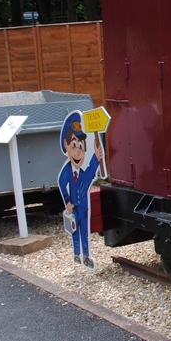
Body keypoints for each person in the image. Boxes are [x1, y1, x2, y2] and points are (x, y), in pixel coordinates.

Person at [58, 111, 103, 270]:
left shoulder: (83, 174)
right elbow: (62, 183)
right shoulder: (68, 171)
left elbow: (91, 171)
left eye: (81, 146)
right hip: (75, 206)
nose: (78, 151)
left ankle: (86, 255)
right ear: (66, 145)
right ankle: (77, 253)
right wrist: (68, 201)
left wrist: (96, 158)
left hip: (84, 206)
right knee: (75, 231)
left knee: (84, 231)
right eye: (74, 145)